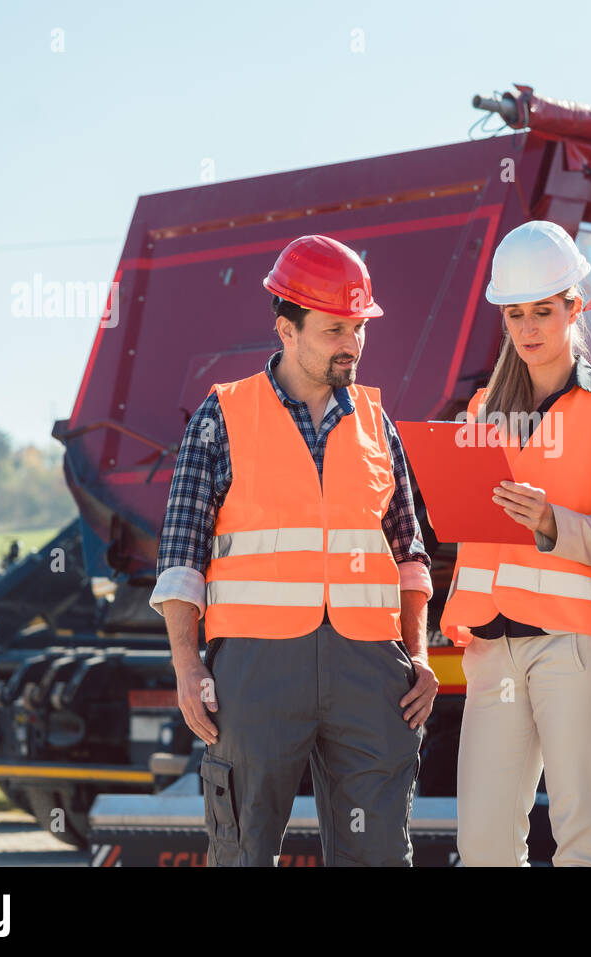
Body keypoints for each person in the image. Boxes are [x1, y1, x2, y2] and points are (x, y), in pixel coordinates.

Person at [150, 234, 438, 866]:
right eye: (335, 329)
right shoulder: (222, 416)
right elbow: (181, 559)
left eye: (359, 328)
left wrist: (416, 653)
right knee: (244, 848)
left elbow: (409, 554)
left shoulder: (376, 421)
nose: (352, 344)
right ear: (287, 329)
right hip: (255, 671)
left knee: (379, 852)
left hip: (369, 670)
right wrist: (187, 666)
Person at [439, 220, 591, 866]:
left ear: (575, 308)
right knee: (485, 845)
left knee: (583, 838)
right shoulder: (479, 415)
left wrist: (552, 521)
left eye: (543, 312)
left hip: (576, 646)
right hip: (493, 648)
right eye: (515, 314)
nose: (528, 329)